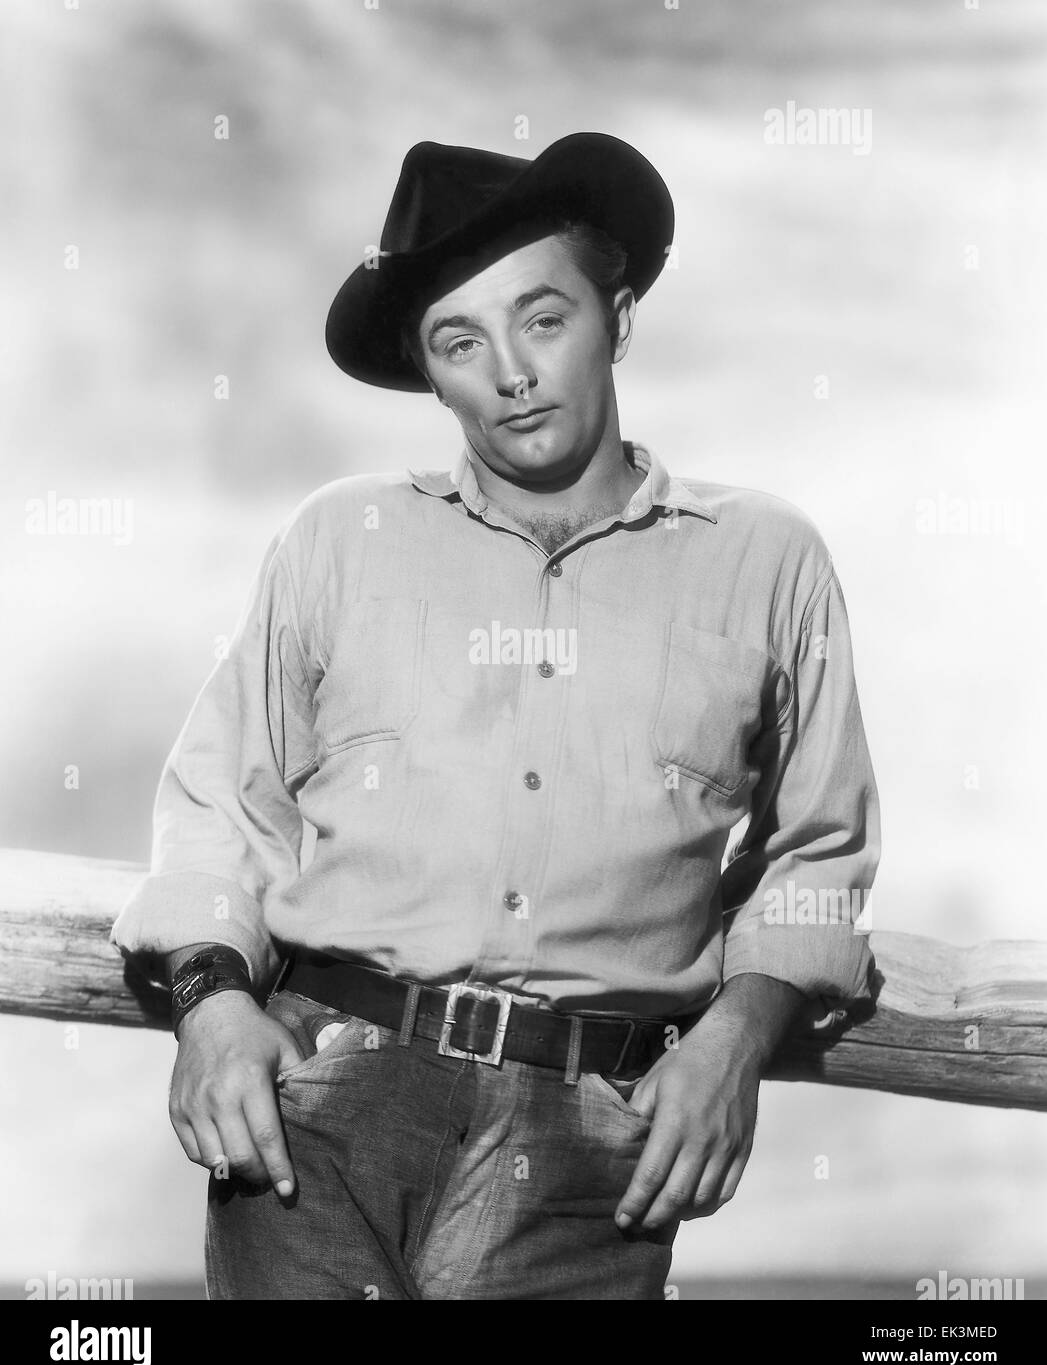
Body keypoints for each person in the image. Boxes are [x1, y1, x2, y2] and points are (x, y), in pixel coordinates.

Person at [111, 132, 881, 1300]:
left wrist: (736, 1038)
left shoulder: (769, 561)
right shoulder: (339, 538)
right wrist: (211, 1009)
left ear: (619, 318)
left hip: (594, 1145)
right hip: (318, 1111)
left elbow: (818, 848)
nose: (512, 372)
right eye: (460, 342)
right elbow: (222, 803)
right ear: (430, 375)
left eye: (544, 318)